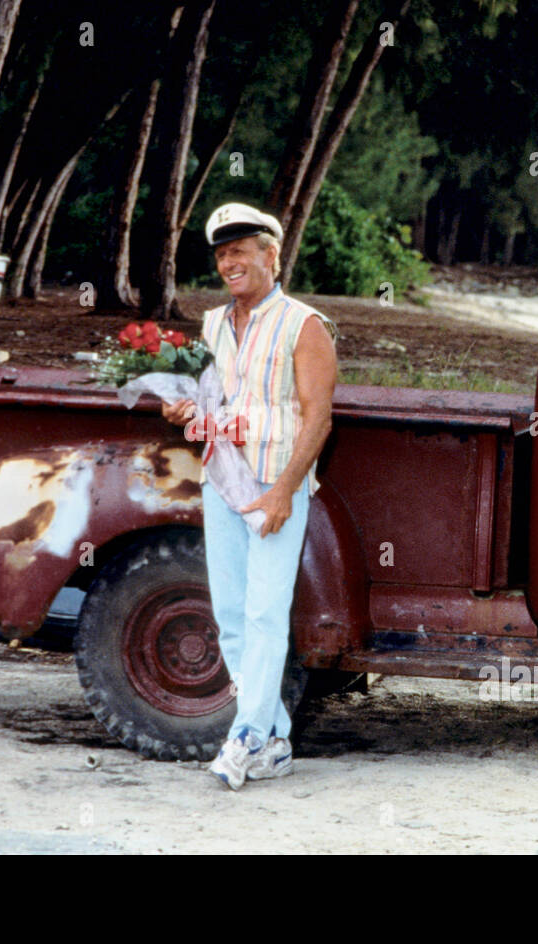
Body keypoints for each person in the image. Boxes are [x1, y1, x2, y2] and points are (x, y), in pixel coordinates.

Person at [162, 203, 337, 790]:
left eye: (241, 250)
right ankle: (275, 738)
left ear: (271, 255)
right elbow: (213, 394)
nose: (229, 262)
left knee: (265, 612)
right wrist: (182, 406)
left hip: (273, 485)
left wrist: (286, 490)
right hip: (224, 480)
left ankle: (247, 738)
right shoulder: (214, 323)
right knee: (231, 614)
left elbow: (319, 417)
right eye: (221, 254)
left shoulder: (304, 324)